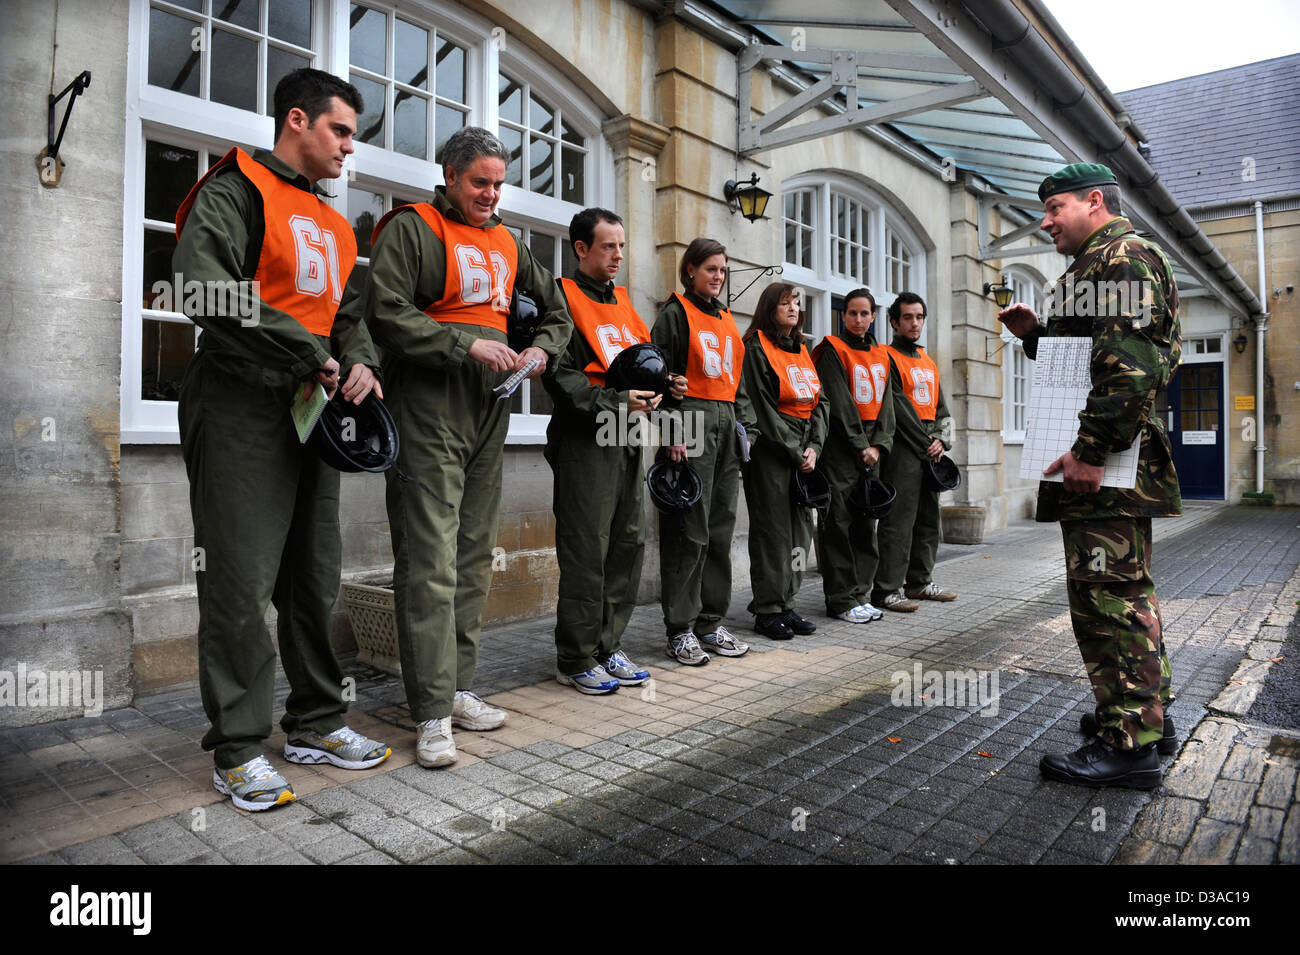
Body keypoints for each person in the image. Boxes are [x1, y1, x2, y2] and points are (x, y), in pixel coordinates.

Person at [173, 68, 390, 812]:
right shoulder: (235, 189)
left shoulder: (334, 221)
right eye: (341, 131)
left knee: (312, 572)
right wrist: (304, 348)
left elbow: (348, 312)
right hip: (239, 400)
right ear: (296, 119)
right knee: (238, 577)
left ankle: (317, 721)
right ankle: (237, 747)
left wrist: (358, 360)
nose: (349, 150)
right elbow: (202, 287)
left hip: (310, 406)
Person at [353, 127, 571, 769]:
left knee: (475, 552)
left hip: (490, 409)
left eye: (500, 183)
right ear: (449, 175)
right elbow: (385, 311)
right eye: (480, 181)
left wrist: (541, 350)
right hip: (427, 403)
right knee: (429, 557)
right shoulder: (411, 227)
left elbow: (558, 313)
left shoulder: (510, 241)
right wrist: (464, 343)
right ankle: (428, 712)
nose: (491, 193)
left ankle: (458, 689)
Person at [1000, 163, 1180, 789]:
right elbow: (1092, 356)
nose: (1045, 220)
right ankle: (1146, 718)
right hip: (1108, 465)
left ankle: (1129, 747)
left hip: (1108, 469)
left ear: (1094, 201)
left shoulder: (1122, 257)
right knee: (1126, 595)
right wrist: (1037, 338)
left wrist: (1091, 452)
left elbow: (1131, 370)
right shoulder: (1098, 265)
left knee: (1109, 602)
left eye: (1054, 207)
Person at [543, 208, 686, 694]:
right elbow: (558, 375)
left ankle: (607, 645)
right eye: (608, 246)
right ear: (581, 248)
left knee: (627, 543)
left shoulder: (624, 303)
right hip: (586, 435)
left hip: (627, 435)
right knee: (587, 548)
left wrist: (668, 386)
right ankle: (575, 655)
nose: (618, 256)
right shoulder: (560, 297)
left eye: (622, 246)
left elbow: (639, 368)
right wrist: (613, 401)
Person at [652, 238, 757, 665]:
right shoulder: (675, 315)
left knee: (719, 531)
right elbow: (658, 378)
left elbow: (738, 382)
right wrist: (671, 432)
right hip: (690, 430)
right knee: (687, 534)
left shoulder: (728, 319)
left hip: (725, 430)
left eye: (722, 270)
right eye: (710, 268)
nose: (717, 277)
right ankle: (680, 629)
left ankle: (710, 623)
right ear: (690, 270)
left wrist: (746, 429)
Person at [740, 283, 829, 640]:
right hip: (771, 456)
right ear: (769, 308)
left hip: (803, 454)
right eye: (784, 303)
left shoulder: (803, 349)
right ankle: (767, 609)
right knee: (772, 535)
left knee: (799, 533)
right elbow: (762, 408)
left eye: (796, 303)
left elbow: (822, 402)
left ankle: (786, 603)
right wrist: (795, 451)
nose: (792, 308)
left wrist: (815, 448)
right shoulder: (755, 347)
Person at [813, 288, 896, 623]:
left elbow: (888, 404)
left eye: (865, 314)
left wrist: (879, 445)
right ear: (843, 316)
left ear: (874, 316)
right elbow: (839, 402)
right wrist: (861, 445)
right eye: (852, 314)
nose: (859, 320)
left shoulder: (881, 354)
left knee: (866, 523)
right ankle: (840, 599)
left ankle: (861, 593)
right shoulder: (833, 350)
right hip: (841, 450)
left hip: (872, 450)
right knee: (838, 524)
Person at [871, 292, 957, 612]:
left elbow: (942, 408)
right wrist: (926, 442)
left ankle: (920, 582)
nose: (914, 323)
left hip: (929, 449)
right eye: (907, 317)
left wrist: (941, 440)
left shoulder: (928, 362)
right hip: (904, 449)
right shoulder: (886, 357)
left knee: (928, 518)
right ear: (894, 322)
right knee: (899, 520)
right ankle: (887, 590)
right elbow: (898, 407)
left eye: (919, 317)